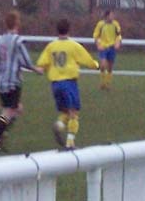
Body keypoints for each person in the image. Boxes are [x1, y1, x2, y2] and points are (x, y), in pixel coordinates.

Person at [36, 18, 100, 150]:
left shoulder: (51, 46)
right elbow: (87, 60)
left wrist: (40, 70)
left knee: (65, 112)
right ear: (69, 29)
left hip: (55, 85)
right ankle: (70, 143)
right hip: (69, 83)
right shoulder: (73, 45)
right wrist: (96, 65)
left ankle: (59, 124)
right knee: (73, 113)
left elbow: (41, 65)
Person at [0, 11, 43, 153]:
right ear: (17, 23)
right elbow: (25, 61)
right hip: (13, 82)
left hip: (1, 82)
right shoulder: (17, 40)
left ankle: (1, 136)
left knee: (16, 109)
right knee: (8, 112)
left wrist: (1, 68)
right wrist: (36, 69)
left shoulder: (0, 41)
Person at [93, 9, 122, 90]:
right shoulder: (100, 24)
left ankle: (107, 84)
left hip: (112, 47)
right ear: (106, 16)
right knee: (102, 64)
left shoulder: (115, 24)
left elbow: (118, 35)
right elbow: (96, 35)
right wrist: (98, 44)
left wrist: (118, 42)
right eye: (111, 15)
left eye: (113, 15)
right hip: (103, 47)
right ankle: (103, 82)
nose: (113, 17)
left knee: (110, 66)